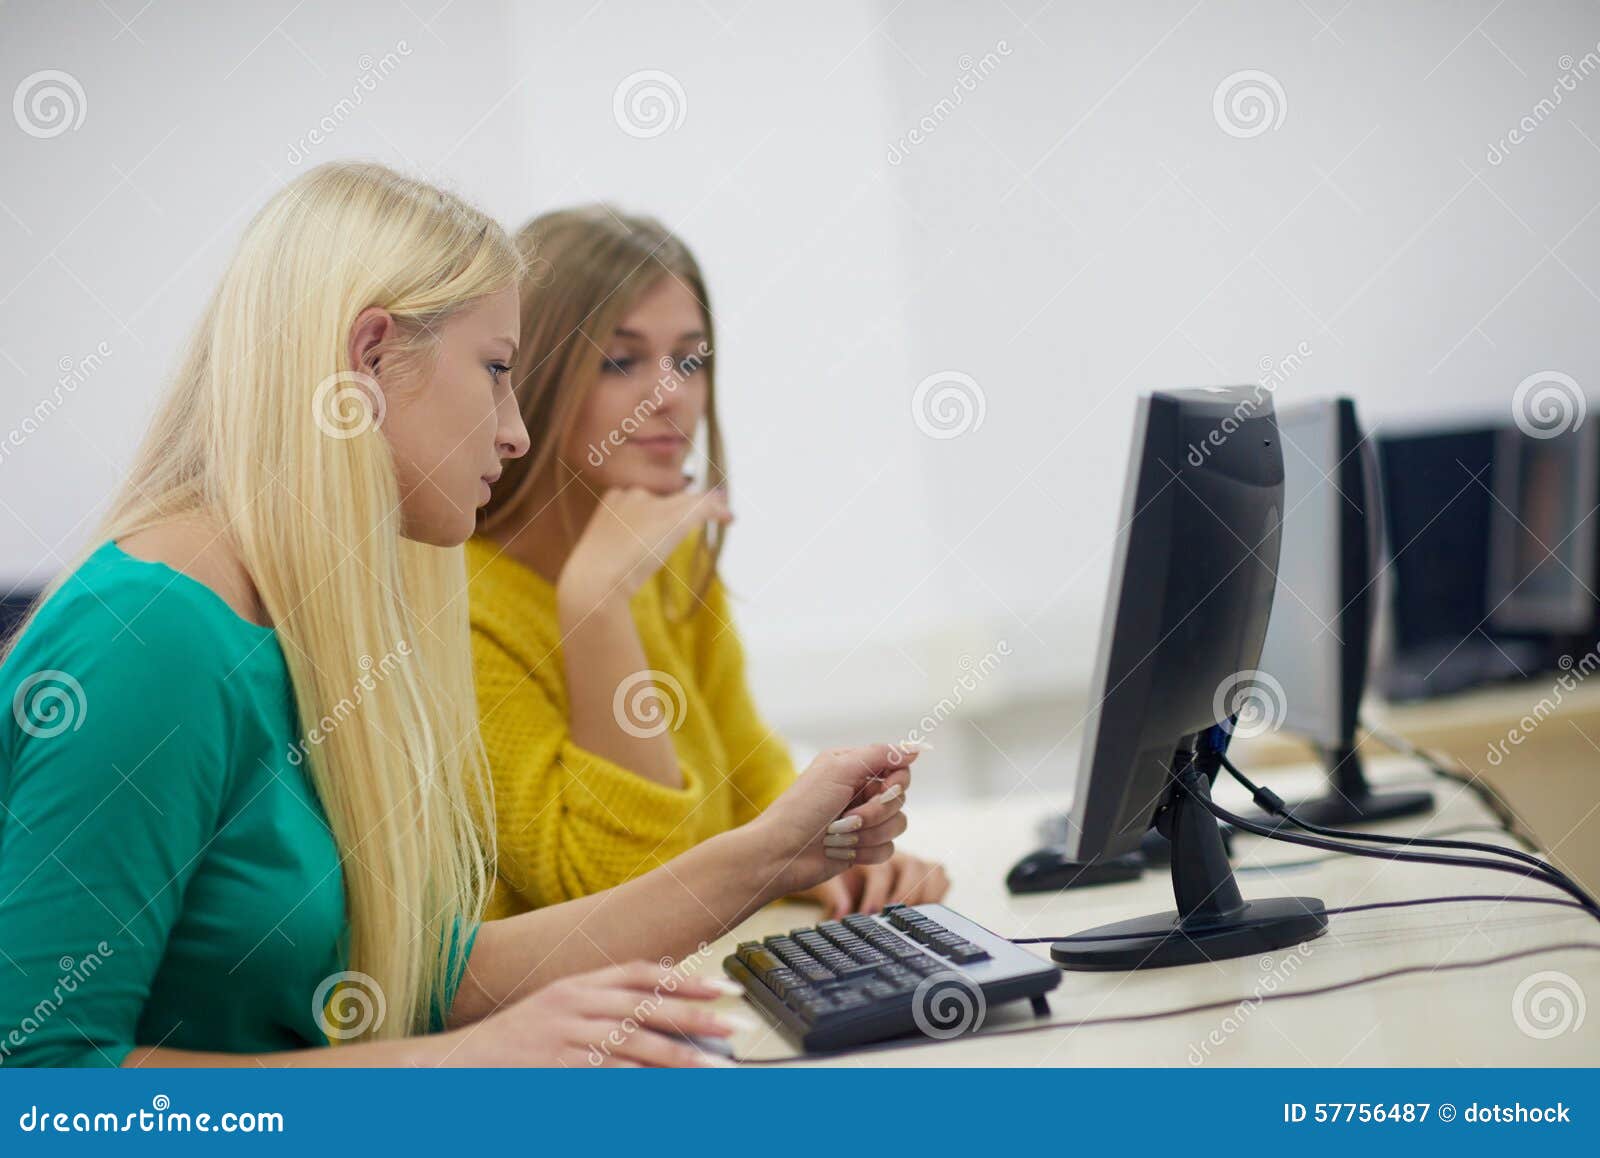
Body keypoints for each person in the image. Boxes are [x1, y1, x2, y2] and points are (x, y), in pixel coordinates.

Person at [0, 164, 916, 1068]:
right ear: (369, 359)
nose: (512, 431)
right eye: (497, 370)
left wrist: (772, 855)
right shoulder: (150, 635)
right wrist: (456, 1064)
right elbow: (40, 1090)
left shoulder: (300, 618)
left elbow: (424, 975)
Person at [470, 206, 949, 920]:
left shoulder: (669, 552)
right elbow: (622, 902)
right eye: (619, 360)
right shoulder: (461, 605)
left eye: (690, 360)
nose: (671, 395)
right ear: (530, 375)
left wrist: (831, 857)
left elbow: (748, 781)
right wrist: (595, 606)